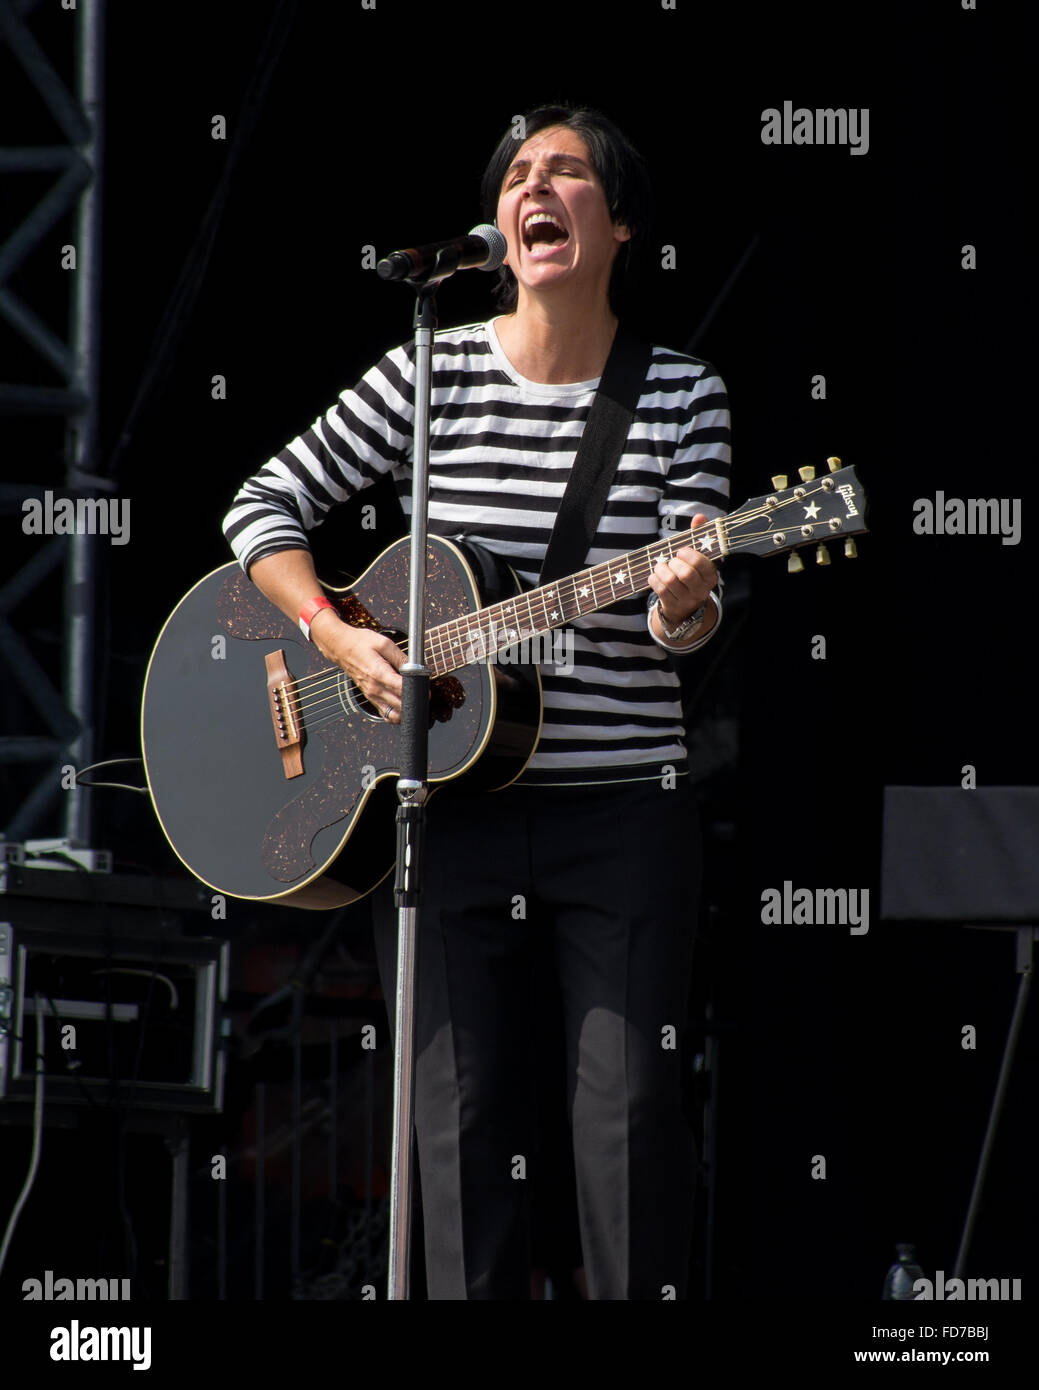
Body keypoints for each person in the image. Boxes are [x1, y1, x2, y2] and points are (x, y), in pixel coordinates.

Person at [222, 104, 731, 1299]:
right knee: (454, 1134)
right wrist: (333, 633)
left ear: (619, 224)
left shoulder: (681, 395)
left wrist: (684, 597)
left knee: (629, 1122)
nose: (532, 188)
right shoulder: (427, 368)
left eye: (565, 173)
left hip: (622, 812)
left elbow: (683, 634)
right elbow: (262, 504)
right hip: (446, 810)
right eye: (516, 175)